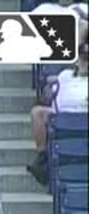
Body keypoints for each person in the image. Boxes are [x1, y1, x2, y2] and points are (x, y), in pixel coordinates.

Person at [29, 45, 89, 183]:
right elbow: (50, 96)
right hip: (61, 116)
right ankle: (43, 158)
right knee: (37, 113)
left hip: (84, 119)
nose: (86, 61)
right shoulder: (65, 76)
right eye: (83, 57)